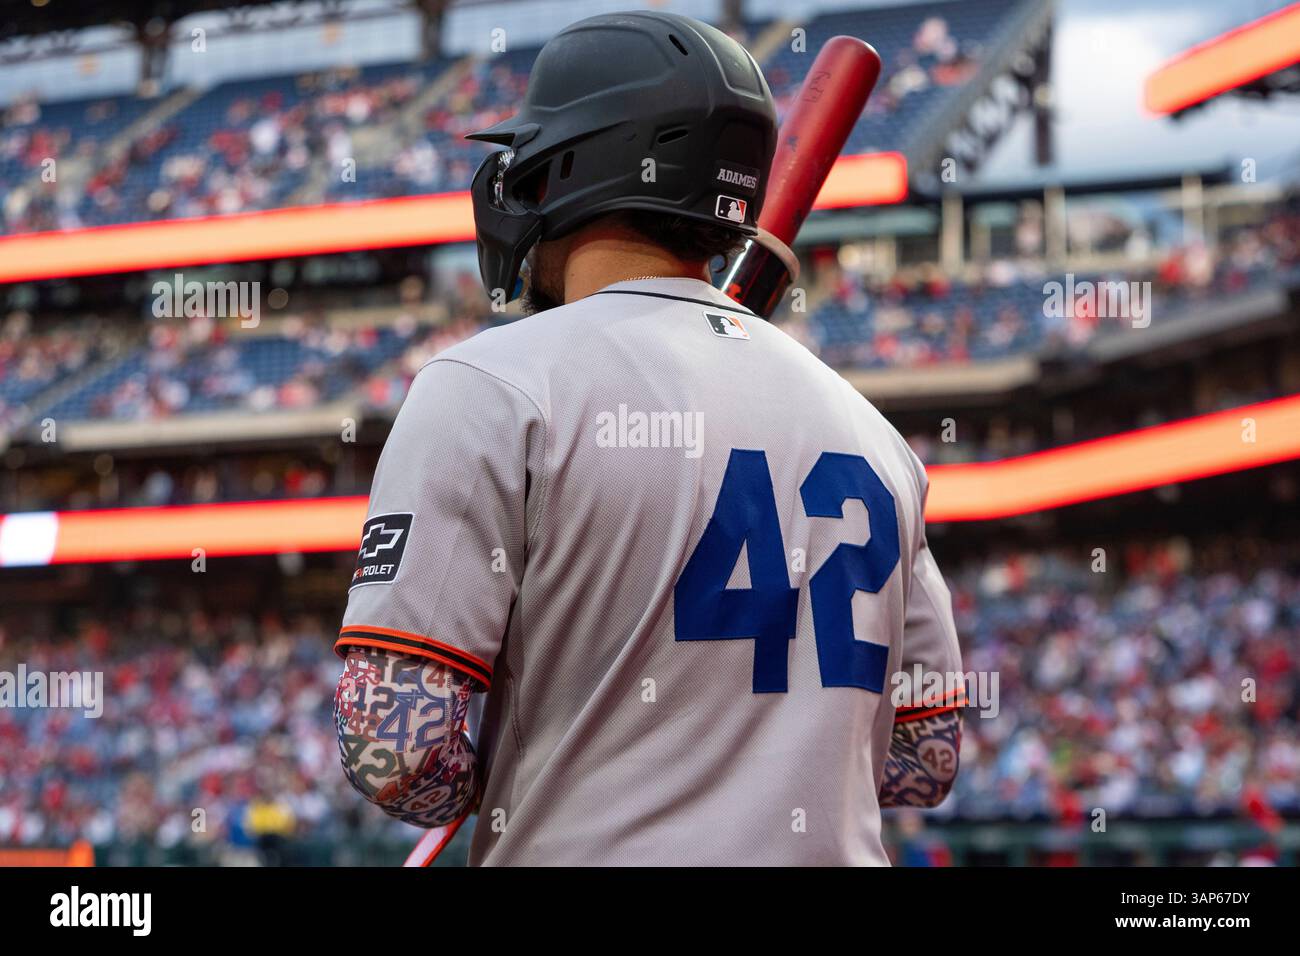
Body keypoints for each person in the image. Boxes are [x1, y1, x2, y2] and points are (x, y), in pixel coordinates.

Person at [333, 10, 962, 866]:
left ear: (563, 172)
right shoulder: (878, 439)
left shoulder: (488, 386)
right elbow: (926, 760)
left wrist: (569, 760)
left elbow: (395, 755)